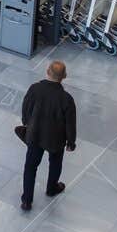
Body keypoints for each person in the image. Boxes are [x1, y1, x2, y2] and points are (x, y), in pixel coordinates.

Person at [18, 60, 75, 212]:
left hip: (35, 135)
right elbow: (70, 123)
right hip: (56, 139)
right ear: (64, 76)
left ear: (47, 71)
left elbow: (26, 108)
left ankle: (27, 201)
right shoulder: (66, 99)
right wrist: (71, 142)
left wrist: (26, 123)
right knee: (55, 163)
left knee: (30, 167)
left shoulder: (35, 89)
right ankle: (51, 188)